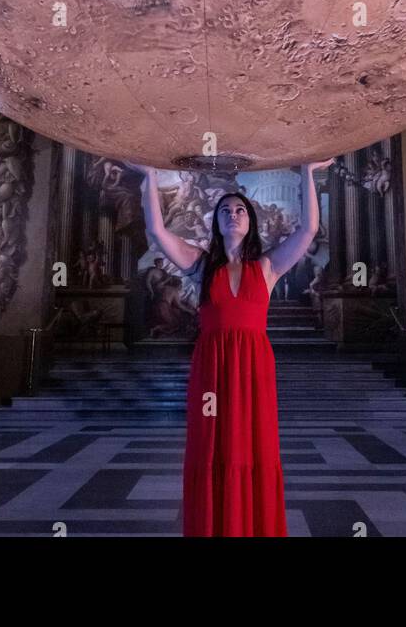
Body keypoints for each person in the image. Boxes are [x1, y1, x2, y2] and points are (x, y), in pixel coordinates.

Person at [123, 157, 330, 537]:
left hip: (253, 366)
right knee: (212, 445)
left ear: (250, 221)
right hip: (212, 367)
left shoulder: (268, 267)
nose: (232, 214)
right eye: (224, 210)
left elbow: (309, 229)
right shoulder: (202, 266)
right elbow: (156, 230)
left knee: (255, 445)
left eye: (239, 210)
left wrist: (307, 172)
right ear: (216, 222)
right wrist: (149, 176)